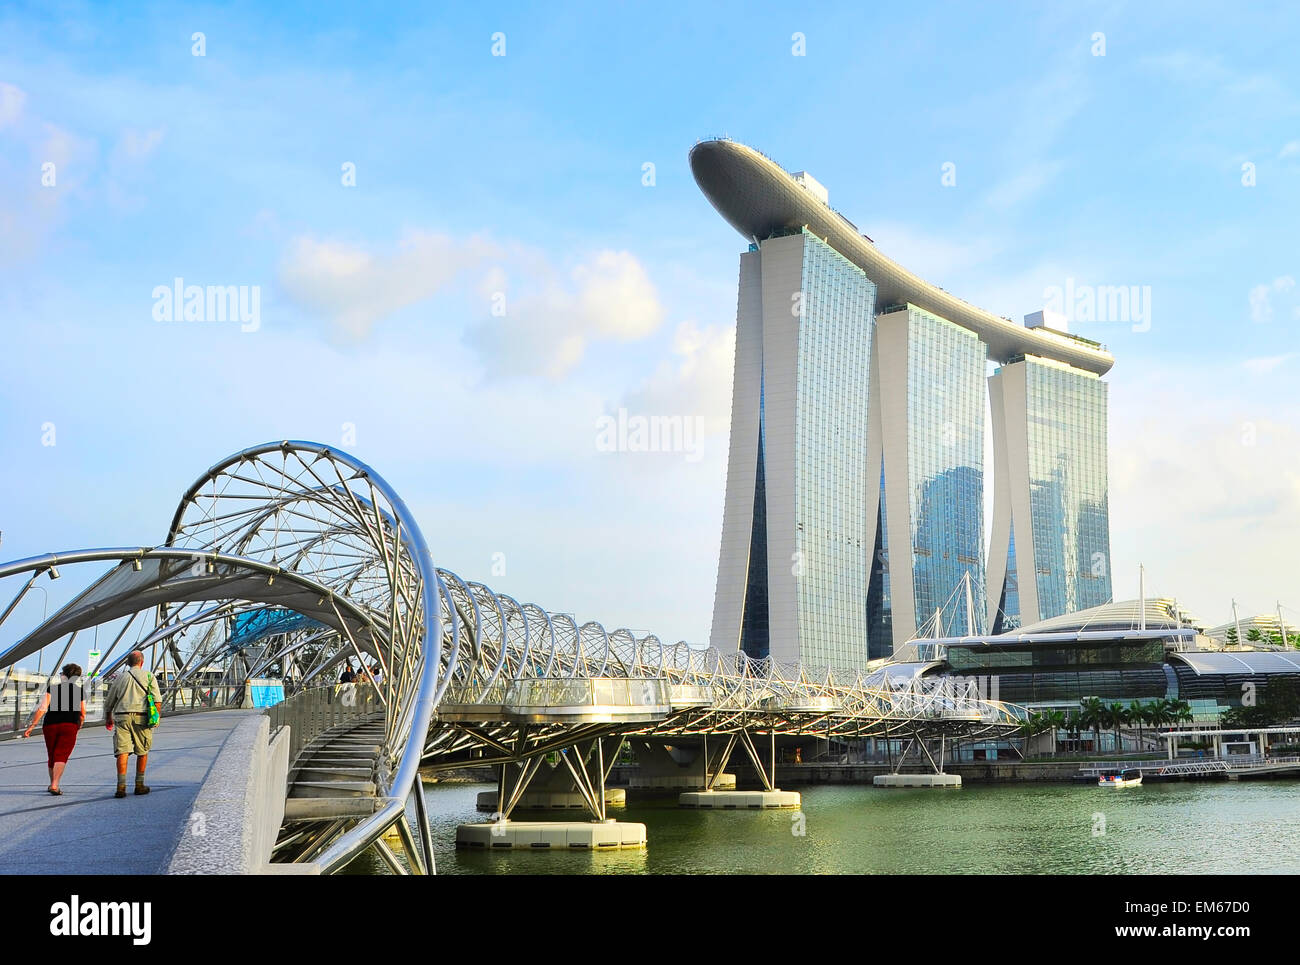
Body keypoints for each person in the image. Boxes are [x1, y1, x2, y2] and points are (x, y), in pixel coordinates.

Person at [103, 651, 162, 798]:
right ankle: (139, 785)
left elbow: (109, 702)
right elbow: (157, 701)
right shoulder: (149, 676)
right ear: (142, 662)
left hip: (122, 717)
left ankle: (121, 787)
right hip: (142, 717)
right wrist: (156, 718)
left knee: (122, 752)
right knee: (142, 751)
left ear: (128, 663)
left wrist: (108, 717)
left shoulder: (119, 678)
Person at [23, 663, 86, 795]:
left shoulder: (52, 688)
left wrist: (32, 725)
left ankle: (52, 783)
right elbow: (82, 711)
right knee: (61, 754)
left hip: (50, 725)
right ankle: (54, 784)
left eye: (61, 673)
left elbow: (43, 708)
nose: (61, 675)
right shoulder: (79, 691)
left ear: (65, 676)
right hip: (69, 725)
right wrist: (80, 724)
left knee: (52, 754)